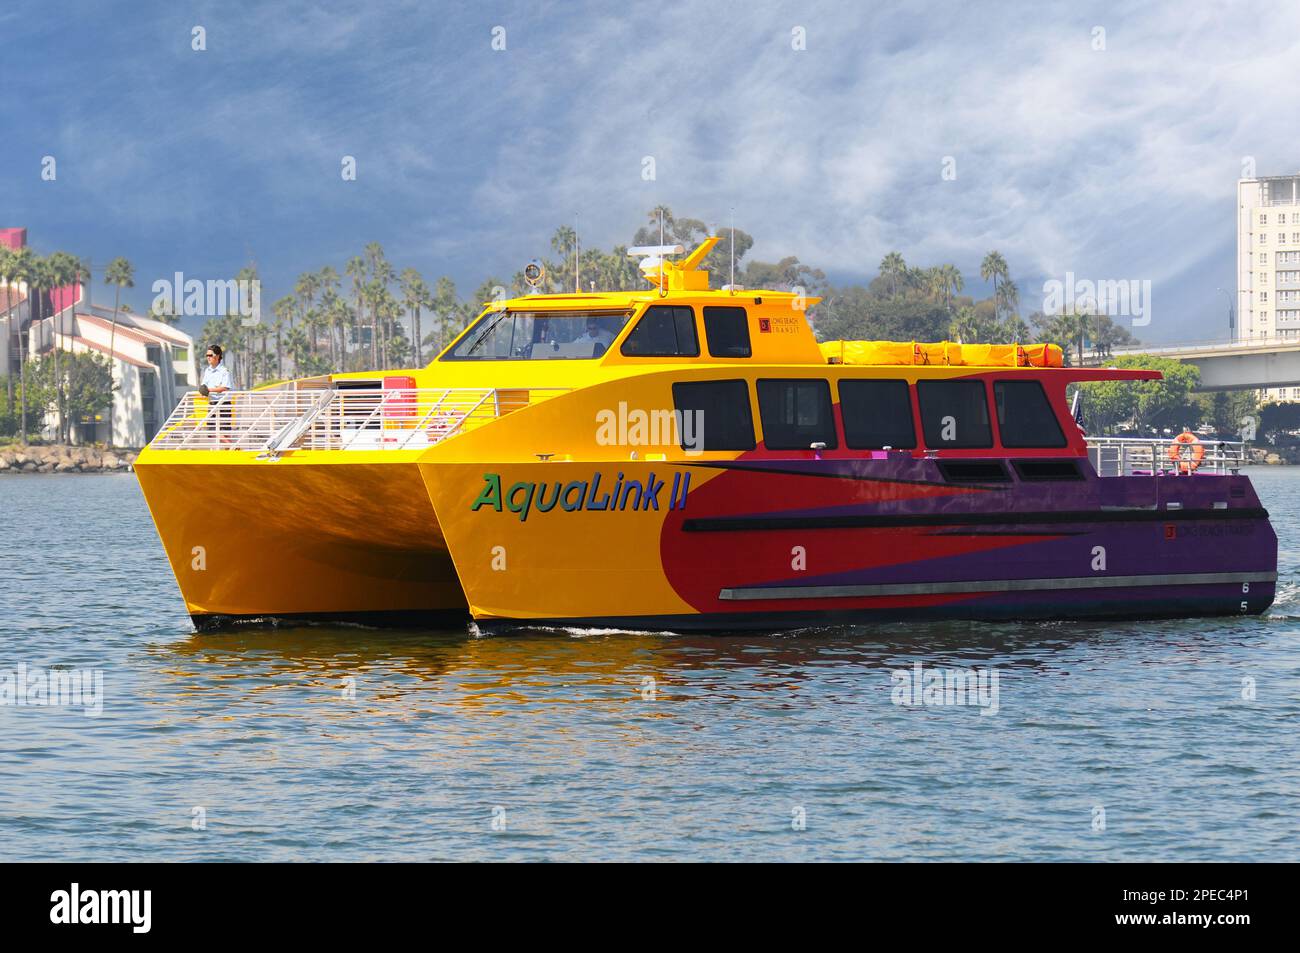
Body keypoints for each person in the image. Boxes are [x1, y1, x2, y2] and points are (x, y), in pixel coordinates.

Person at [199, 344, 234, 440]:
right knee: (211, 431)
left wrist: (209, 390)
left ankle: (230, 448)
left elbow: (225, 387)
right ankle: (232, 447)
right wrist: (203, 392)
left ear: (217, 356)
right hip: (212, 403)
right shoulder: (207, 371)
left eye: (210, 355)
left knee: (224, 431)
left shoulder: (224, 371)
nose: (208, 358)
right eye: (207, 355)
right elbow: (204, 386)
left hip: (223, 403)